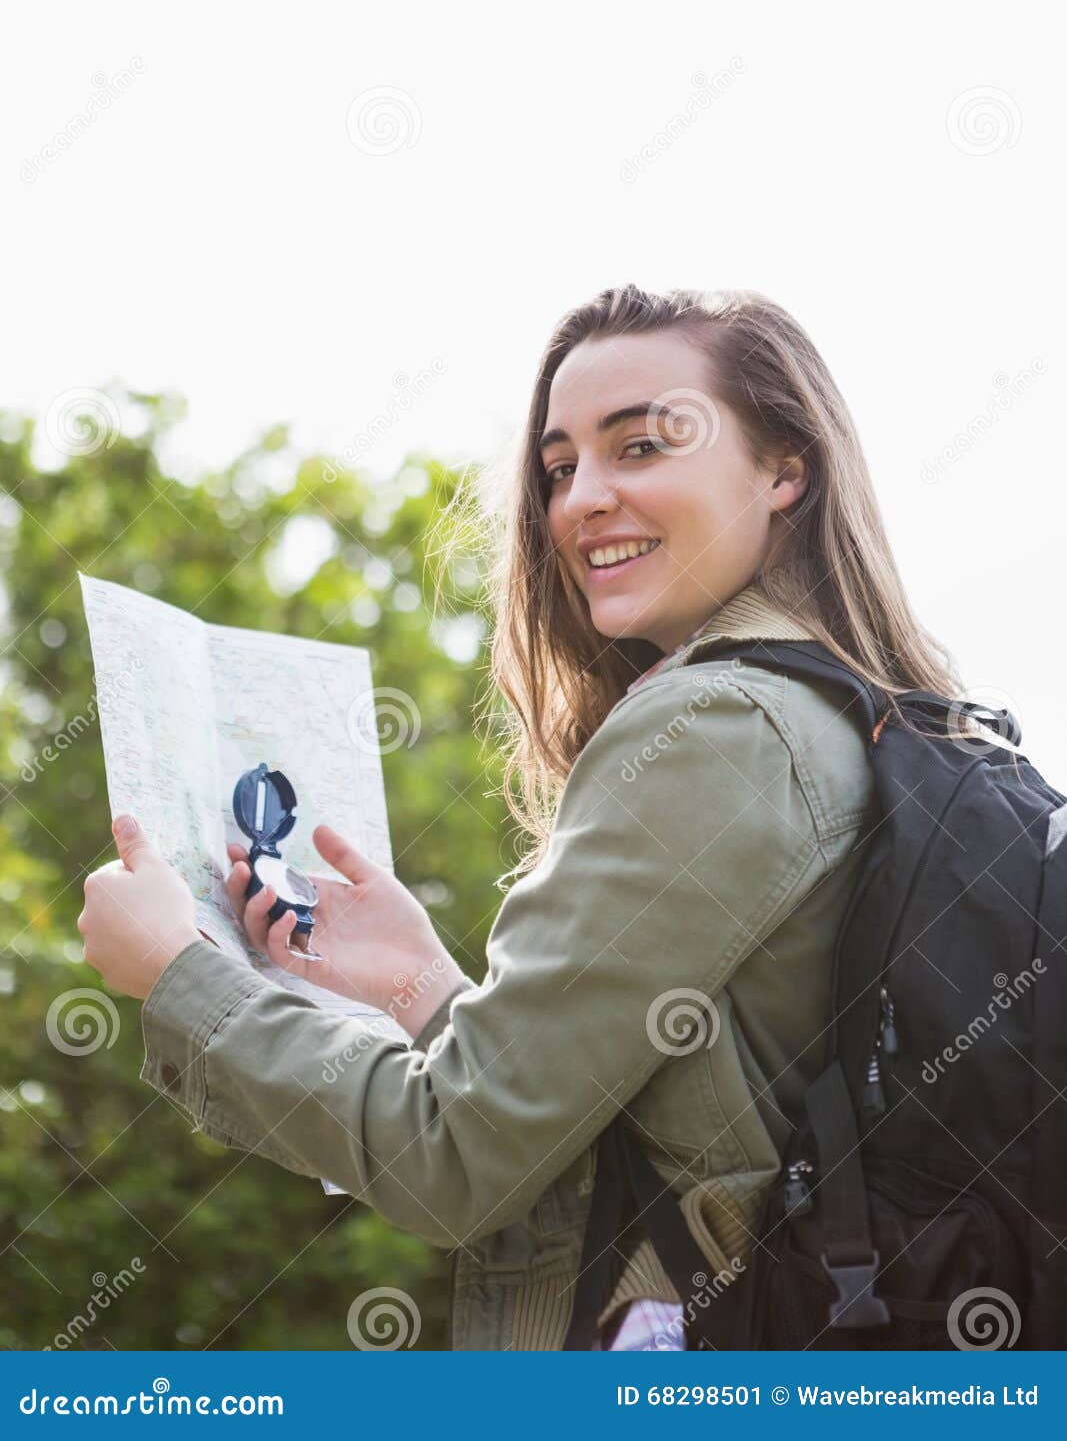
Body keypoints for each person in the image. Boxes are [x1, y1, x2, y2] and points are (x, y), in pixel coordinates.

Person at [77, 285, 968, 1351]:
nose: (580, 499)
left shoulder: (715, 728)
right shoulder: (874, 718)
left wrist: (179, 973)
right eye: (557, 468)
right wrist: (420, 984)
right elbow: (655, 1137)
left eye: (640, 446)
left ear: (784, 468)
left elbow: (450, 1159)